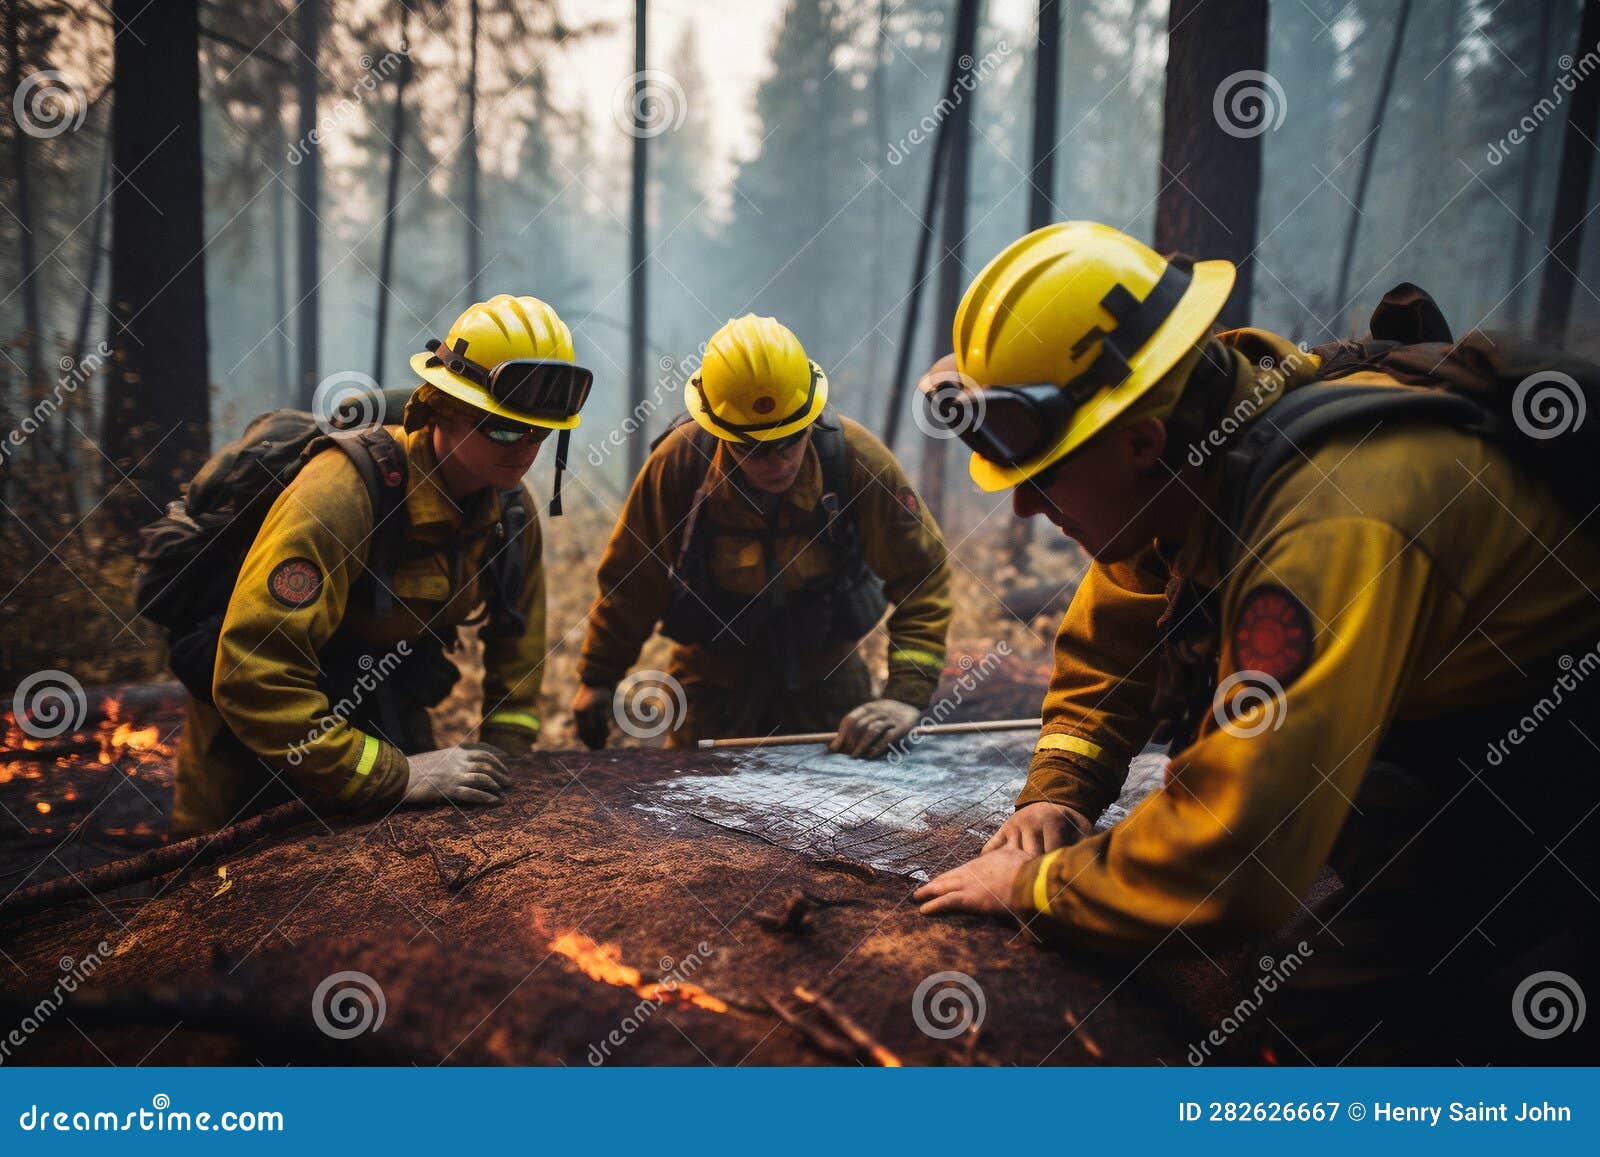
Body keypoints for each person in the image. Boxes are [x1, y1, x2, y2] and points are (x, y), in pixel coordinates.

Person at [911, 221, 1600, 1062]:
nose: (1022, 505)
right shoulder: (1194, 448)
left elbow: (1241, 851)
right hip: (1459, 727)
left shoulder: (1328, 523)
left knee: (1319, 1017)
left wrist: (1040, 886)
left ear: (1139, 442)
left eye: (1042, 472)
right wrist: (1058, 793)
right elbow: (1112, 642)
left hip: (1556, 757)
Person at [170, 294, 591, 833]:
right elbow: (253, 673)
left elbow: (519, 646)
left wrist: (508, 765)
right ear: (446, 406)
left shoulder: (509, 510)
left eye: (541, 431)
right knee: (219, 894)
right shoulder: (344, 492)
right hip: (259, 740)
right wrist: (394, 776)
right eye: (506, 429)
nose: (526, 448)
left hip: (385, 708)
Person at [572, 314, 952, 756]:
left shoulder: (856, 460)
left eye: (789, 439)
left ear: (811, 418)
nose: (776, 462)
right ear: (717, 431)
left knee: (840, 812)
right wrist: (598, 678)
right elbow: (631, 580)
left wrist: (904, 697)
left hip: (827, 681)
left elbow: (923, 575)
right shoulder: (679, 466)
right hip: (712, 687)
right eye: (752, 447)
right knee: (695, 808)